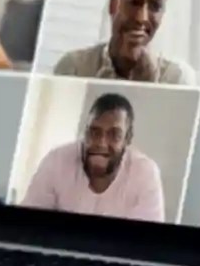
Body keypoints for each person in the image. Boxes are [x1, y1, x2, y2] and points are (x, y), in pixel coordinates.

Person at [54, 0, 197, 84]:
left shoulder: (178, 79)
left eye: (155, 6)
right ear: (114, 5)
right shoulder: (73, 68)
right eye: (134, 2)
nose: (141, 18)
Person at [22, 93, 165, 222]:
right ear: (85, 132)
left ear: (127, 139)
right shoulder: (56, 161)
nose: (101, 143)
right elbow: (28, 225)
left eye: (114, 134)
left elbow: (144, 244)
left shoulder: (144, 174)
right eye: (94, 132)